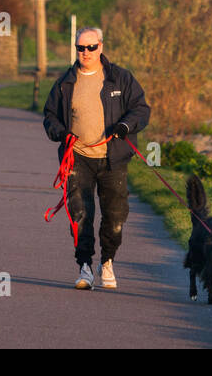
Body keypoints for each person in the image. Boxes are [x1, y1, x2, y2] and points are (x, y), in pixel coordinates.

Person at [42, 26, 151, 290]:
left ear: (100, 46)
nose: (86, 52)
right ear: (76, 50)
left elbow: (141, 109)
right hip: (77, 158)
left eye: (91, 47)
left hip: (113, 159)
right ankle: (85, 267)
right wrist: (62, 134)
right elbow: (50, 116)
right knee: (80, 214)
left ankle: (108, 262)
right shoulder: (66, 82)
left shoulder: (120, 78)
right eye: (81, 48)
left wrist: (125, 126)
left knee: (115, 217)